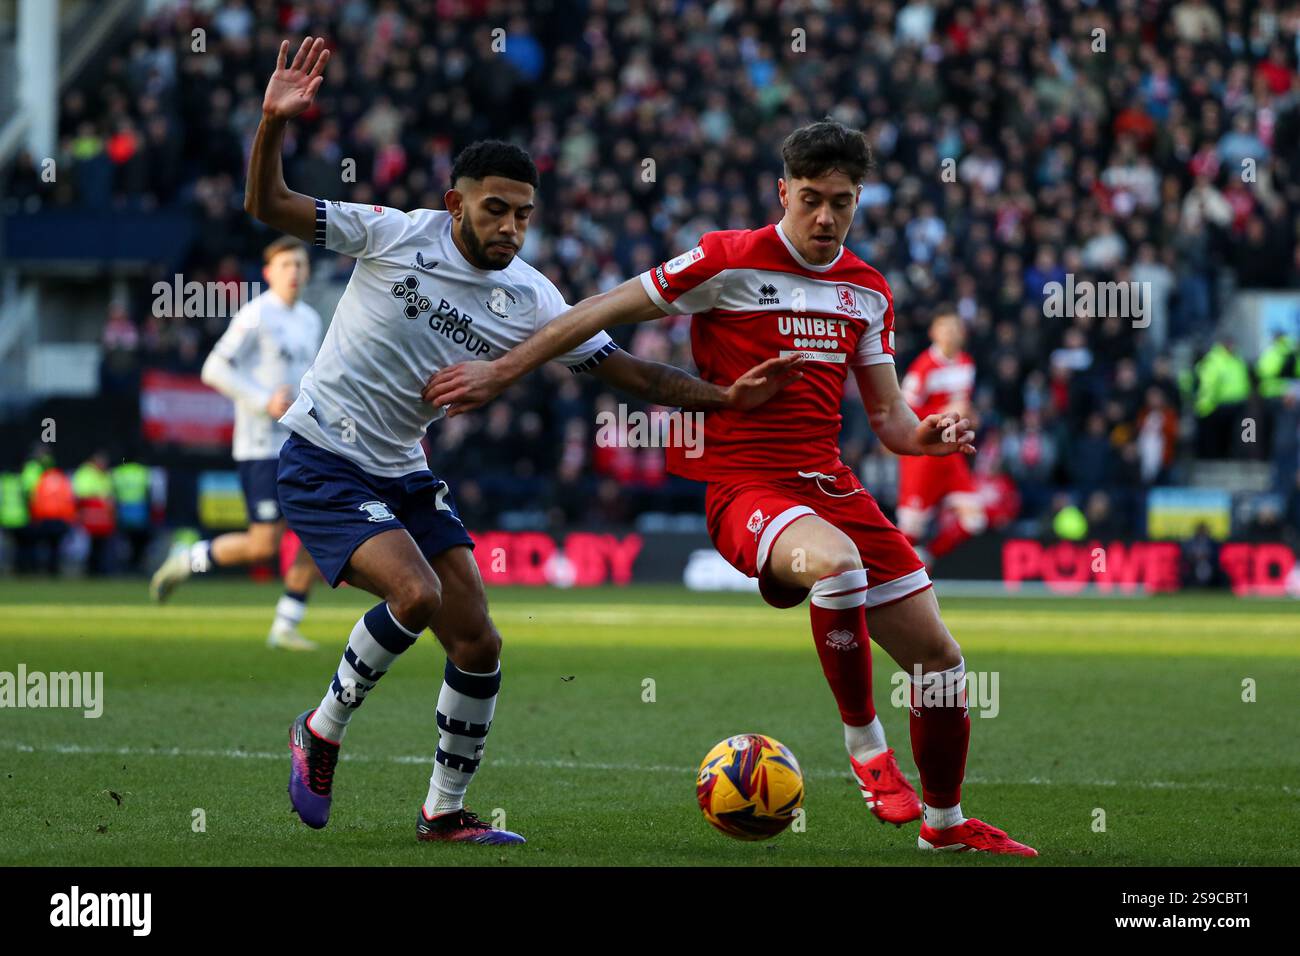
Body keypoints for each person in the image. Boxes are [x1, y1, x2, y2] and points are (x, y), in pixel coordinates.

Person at [243, 37, 800, 844]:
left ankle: (442, 813)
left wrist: (724, 396)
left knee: (478, 641)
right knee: (416, 596)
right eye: (495, 209)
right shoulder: (393, 232)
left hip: (402, 471)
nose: (511, 227)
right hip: (322, 457)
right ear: (455, 202)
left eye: (524, 215)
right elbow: (270, 205)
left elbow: (629, 372)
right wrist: (272, 123)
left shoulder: (533, 297)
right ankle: (320, 729)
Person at [430, 117, 1037, 855]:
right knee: (839, 565)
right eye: (810, 199)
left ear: (858, 201)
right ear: (783, 191)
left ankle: (944, 826)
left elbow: (888, 418)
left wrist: (925, 434)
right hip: (746, 487)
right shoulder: (726, 259)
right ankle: (867, 748)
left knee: (940, 663)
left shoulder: (867, 291)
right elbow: (594, 313)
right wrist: (500, 371)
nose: (825, 217)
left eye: (841, 202)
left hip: (832, 488)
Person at [149, 236, 324, 651]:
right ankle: (188, 559)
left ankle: (286, 624)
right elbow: (213, 368)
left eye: (300, 264)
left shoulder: (311, 320)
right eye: (286, 265)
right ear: (268, 273)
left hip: (301, 444)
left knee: (319, 530)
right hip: (261, 446)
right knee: (263, 546)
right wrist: (264, 401)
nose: (294, 272)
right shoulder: (255, 314)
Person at [896, 311, 986, 566]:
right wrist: (942, 412)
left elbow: (961, 405)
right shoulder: (922, 367)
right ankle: (893, 573)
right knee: (910, 527)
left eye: (955, 328)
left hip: (951, 455)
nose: (951, 334)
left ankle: (928, 556)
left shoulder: (967, 363)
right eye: (945, 328)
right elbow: (904, 411)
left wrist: (970, 415)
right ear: (933, 333)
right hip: (923, 456)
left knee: (975, 520)